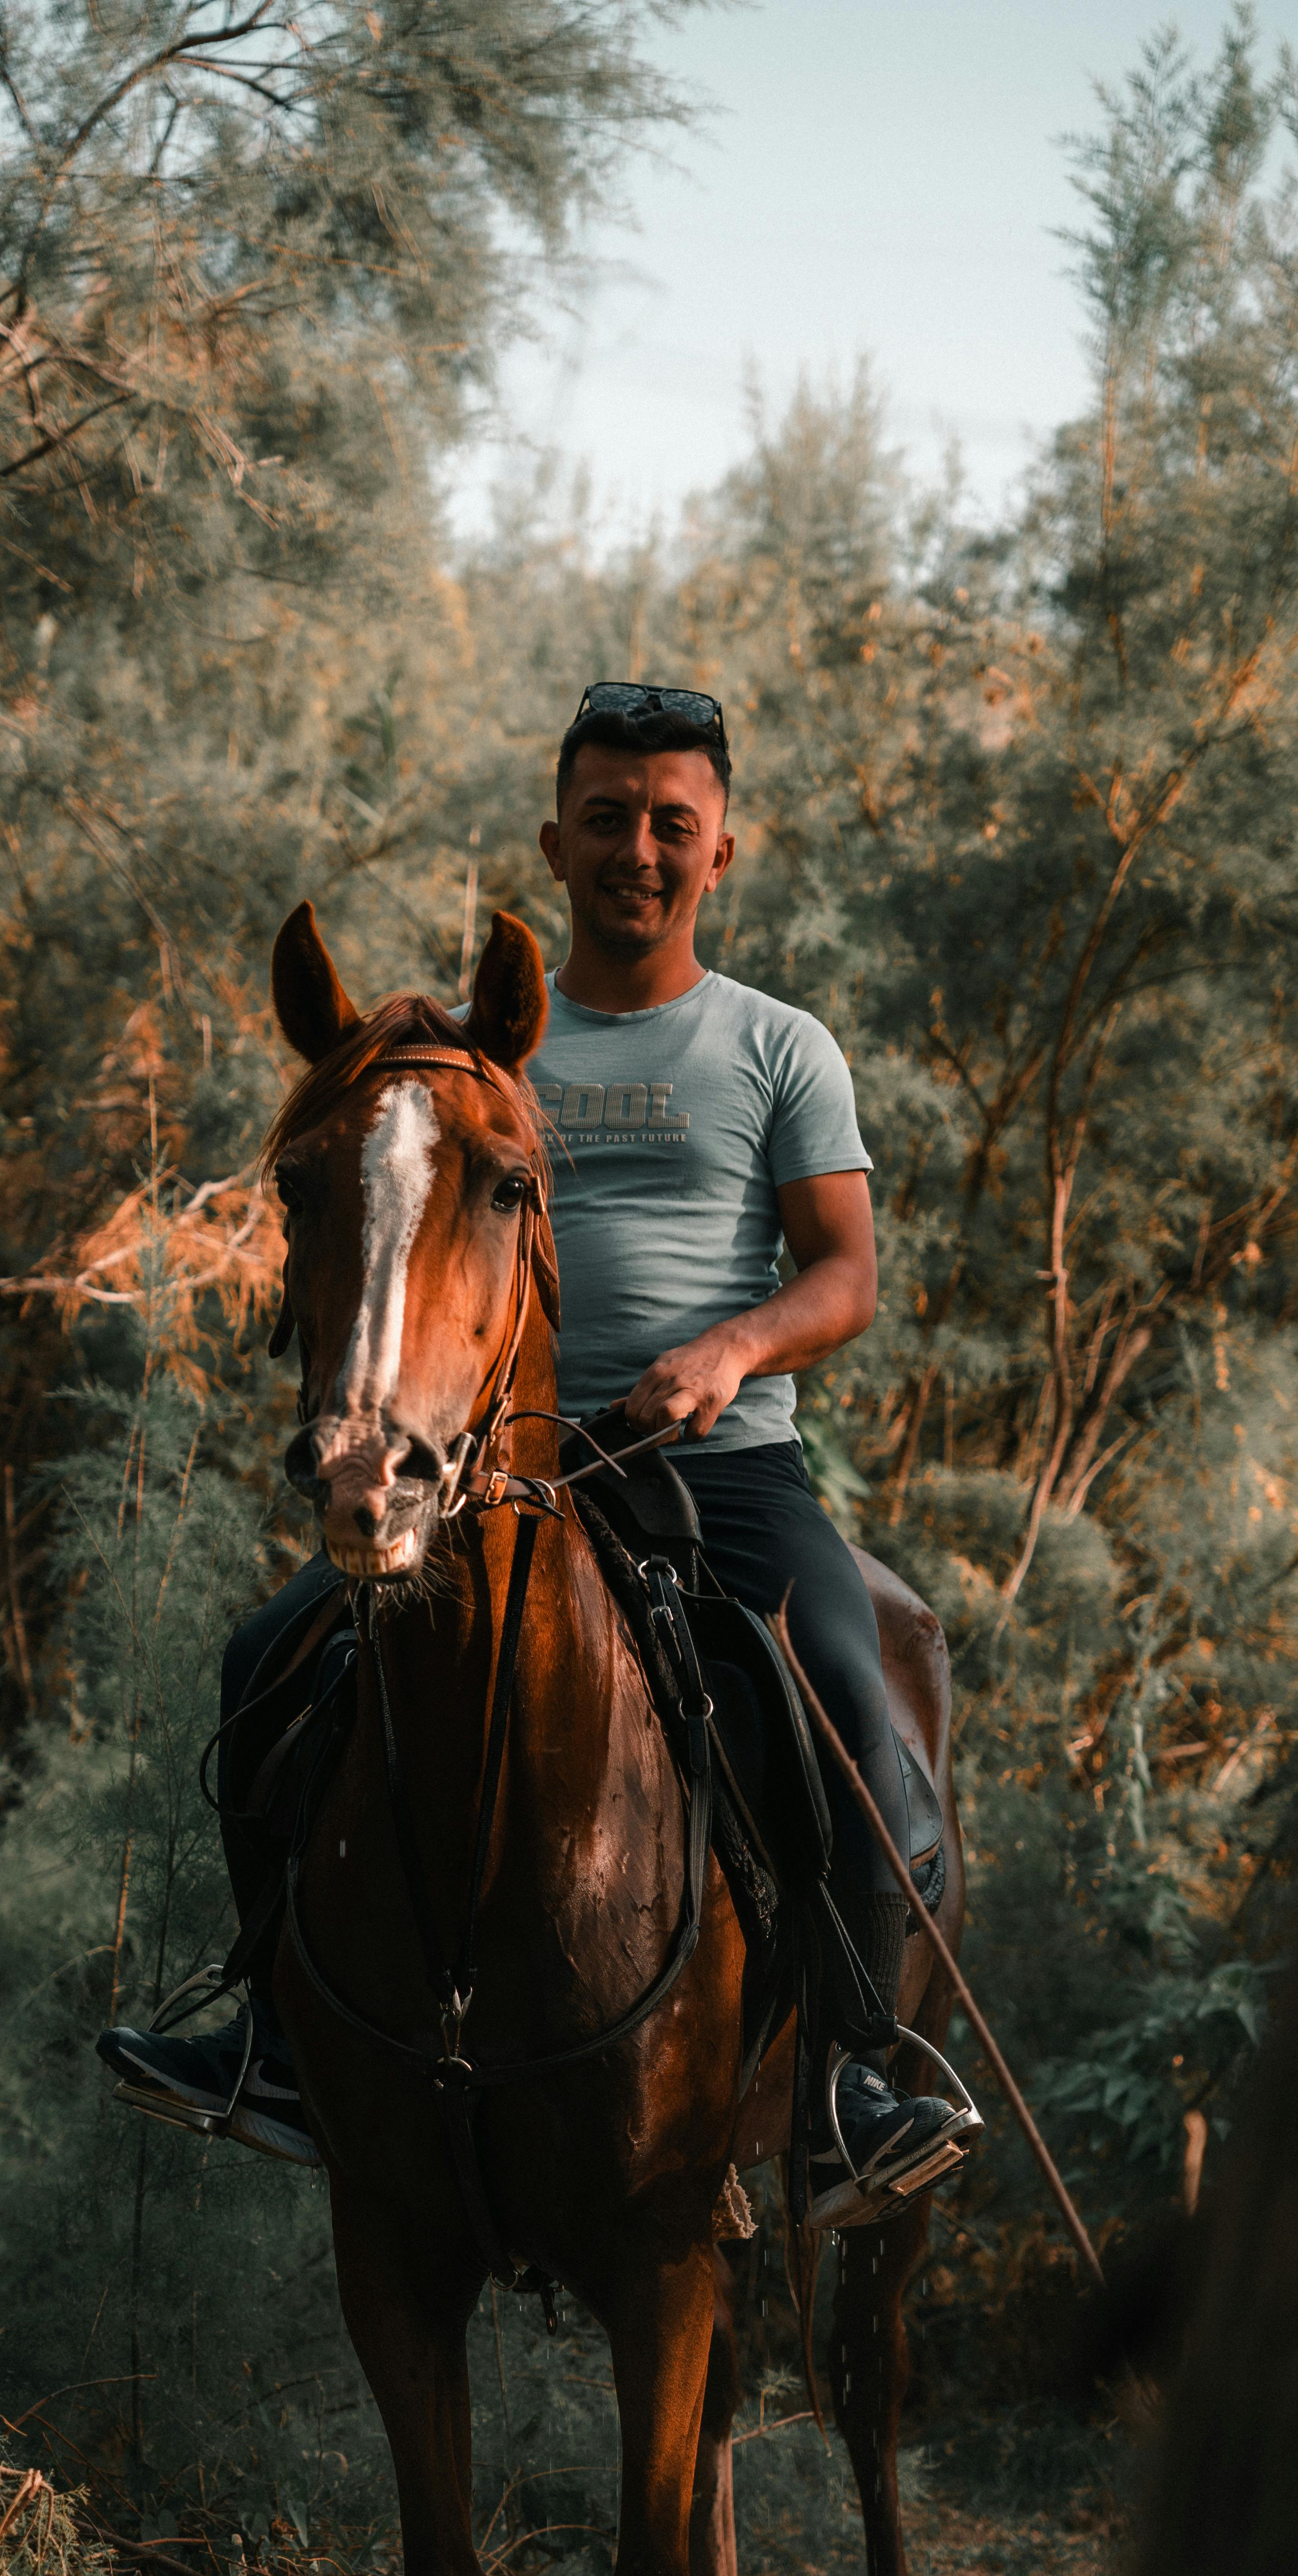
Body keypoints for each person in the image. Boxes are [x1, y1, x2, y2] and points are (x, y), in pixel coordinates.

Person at [95, 682, 970, 2214]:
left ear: (721, 851)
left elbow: (846, 1275)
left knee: (854, 1705)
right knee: (263, 1671)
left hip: (727, 1471)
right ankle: (273, 2043)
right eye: (610, 818)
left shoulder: (778, 1047)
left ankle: (848, 2070)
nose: (639, 847)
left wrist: (728, 1350)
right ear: (555, 841)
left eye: (672, 824)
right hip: (507, 1471)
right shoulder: (481, 1052)